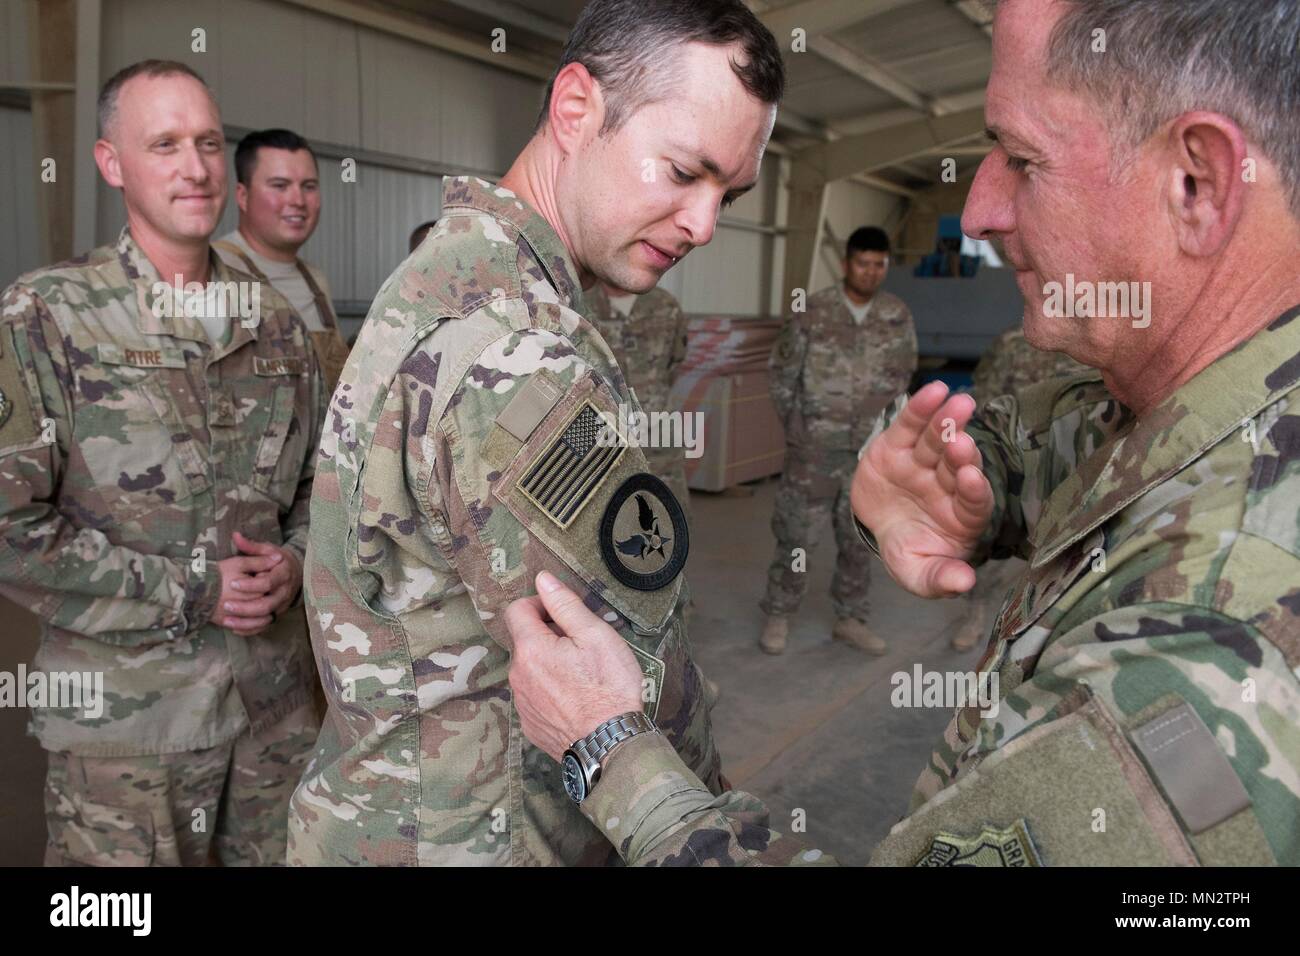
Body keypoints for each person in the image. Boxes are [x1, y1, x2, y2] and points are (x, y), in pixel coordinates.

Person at [505, 0, 1300, 867]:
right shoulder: (1207, 401)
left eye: (1022, 159)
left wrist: (610, 754)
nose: (984, 208)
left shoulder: (1212, 655)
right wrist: (985, 487)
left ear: (1198, 183)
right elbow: (1098, 446)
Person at [287, 0, 784, 866]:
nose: (705, 225)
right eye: (682, 172)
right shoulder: (516, 356)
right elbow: (631, 671)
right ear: (575, 108)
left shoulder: (463, 277)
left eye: (728, 195)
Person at [0, 60, 325, 866]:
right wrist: (192, 592)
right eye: (166, 143)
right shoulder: (48, 317)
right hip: (130, 738)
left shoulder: (276, 324)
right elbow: (10, 527)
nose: (196, 167)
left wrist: (297, 560)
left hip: (272, 722)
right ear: (112, 163)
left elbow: (328, 484)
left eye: (210, 143)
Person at [760, 226, 917, 655]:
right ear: (847, 264)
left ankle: (851, 618)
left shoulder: (896, 315)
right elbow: (782, 375)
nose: (870, 272)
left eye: (878, 265)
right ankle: (779, 612)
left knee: (860, 539)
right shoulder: (814, 311)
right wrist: (798, 432)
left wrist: (890, 439)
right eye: (863, 263)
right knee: (797, 538)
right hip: (813, 450)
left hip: (870, 454)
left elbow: (904, 377)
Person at [950, 325, 1087, 651]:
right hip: (1017, 470)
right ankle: (975, 615)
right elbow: (984, 400)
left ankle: (1053, 630)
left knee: (1069, 556)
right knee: (987, 551)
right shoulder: (1011, 344)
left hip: (1072, 471)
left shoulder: (1089, 342)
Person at [214, 128, 349, 392]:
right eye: (280, 186)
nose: (298, 200)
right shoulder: (213, 269)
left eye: (308, 186)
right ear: (243, 196)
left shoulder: (314, 280)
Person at [584, 282, 692, 516]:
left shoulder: (665, 305)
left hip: (657, 431)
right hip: (601, 431)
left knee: (669, 513)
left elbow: (676, 359)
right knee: (603, 514)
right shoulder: (581, 303)